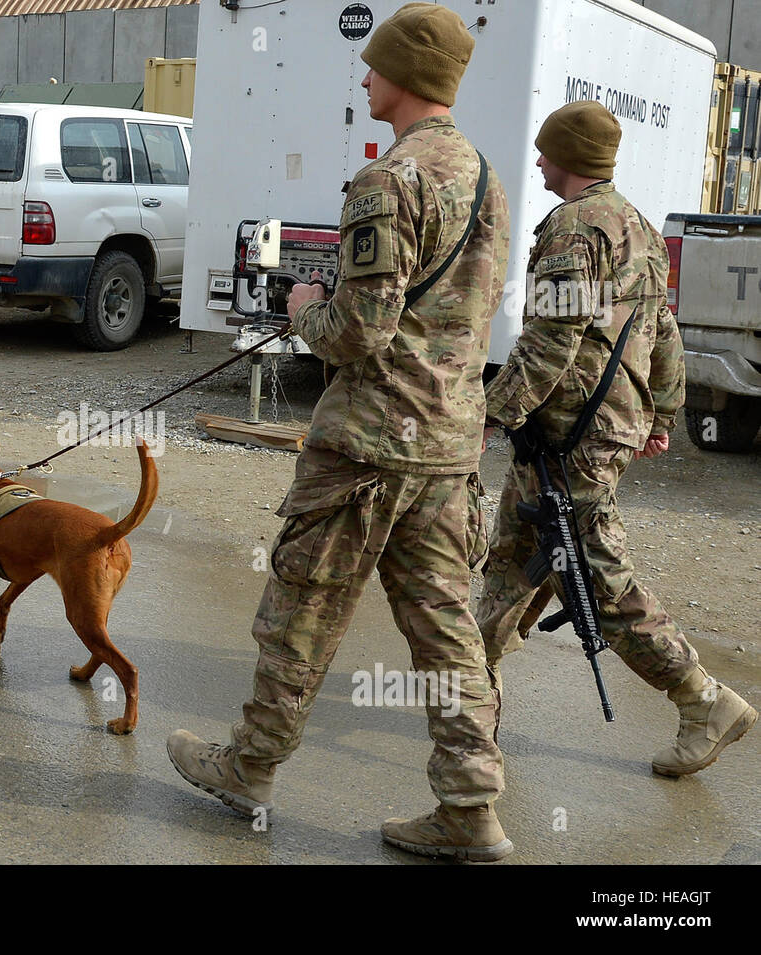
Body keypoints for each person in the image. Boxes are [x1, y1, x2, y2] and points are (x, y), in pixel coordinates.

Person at [167, 3, 515, 861]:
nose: (363, 78)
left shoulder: (387, 181)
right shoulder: (485, 178)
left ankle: (248, 769)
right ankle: (472, 809)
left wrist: (302, 309)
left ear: (409, 78)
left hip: (365, 448)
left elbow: (359, 329)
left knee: (301, 612)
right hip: (448, 448)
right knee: (446, 634)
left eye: (374, 66)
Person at [478, 100, 757, 776]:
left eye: (546, 150)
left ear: (570, 156)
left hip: (572, 441)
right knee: (518, 557)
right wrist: (660, 413)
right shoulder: (634, 224)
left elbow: (548, 346)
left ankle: (703, 697)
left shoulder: (574, 232)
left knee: (595, 575)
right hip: (595, 432)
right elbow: (663, 328)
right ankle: (470, 691)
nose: (538, 160)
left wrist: (490, 415)